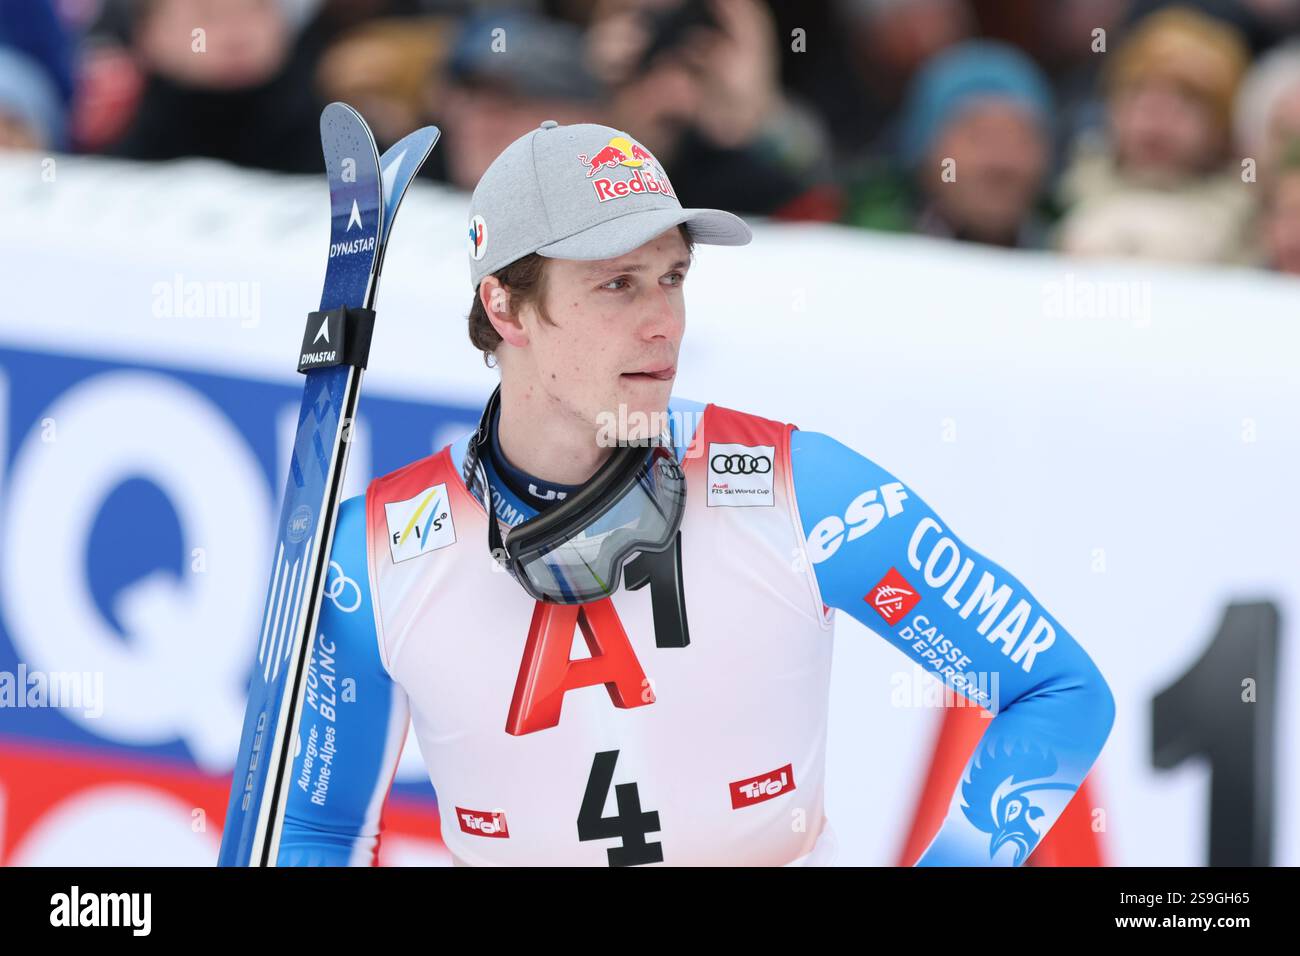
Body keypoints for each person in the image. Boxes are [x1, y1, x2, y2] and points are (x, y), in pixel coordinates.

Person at [272, 120, 1115, 867]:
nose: (663, 322)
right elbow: (322, 830)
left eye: (672, 278)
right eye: (617, 284)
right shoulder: (373, 553)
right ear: (505, 306)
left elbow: (1058, 691)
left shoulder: (800, 490)